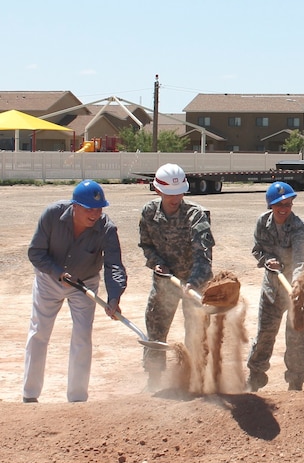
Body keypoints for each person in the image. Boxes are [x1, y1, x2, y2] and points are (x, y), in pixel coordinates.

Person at [23, 180, 127, 403]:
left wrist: (114, 297)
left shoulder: (107, 229)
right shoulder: (52, 215)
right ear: (75, 206)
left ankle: (77, 399)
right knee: (39, 332)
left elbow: (114, 265)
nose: (95, 214)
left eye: (99, 209)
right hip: (49, 280)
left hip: (85, 283)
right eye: (89, 209)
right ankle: (30, 395)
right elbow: (35, 253)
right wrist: (58, 272)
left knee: (82, 336)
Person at [139, 164, 215, 389]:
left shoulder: (196, 215)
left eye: (179, 193)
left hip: (195, 284)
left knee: (197, 333)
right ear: (157, 190)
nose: (175, 199)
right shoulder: (149, 213)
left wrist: (193, 282)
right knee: (155, 330)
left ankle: (195, 380)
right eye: (169, 194)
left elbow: (204, 256)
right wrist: (156, 263)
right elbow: (146, 246)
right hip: (165, 283)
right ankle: (153, 380)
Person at [246, 182, 304, 392]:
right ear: (270, 205)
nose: (283, 208)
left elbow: (303, 260)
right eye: (279, 205)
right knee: (264, 334)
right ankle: (255, 377)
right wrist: (267, 260)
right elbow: (257, 249)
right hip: (272, 290)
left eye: (287, 204)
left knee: (297, 338)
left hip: (296, 292)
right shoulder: (262, 223)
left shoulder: (300, 228)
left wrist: (297, 283)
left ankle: (295, 383)